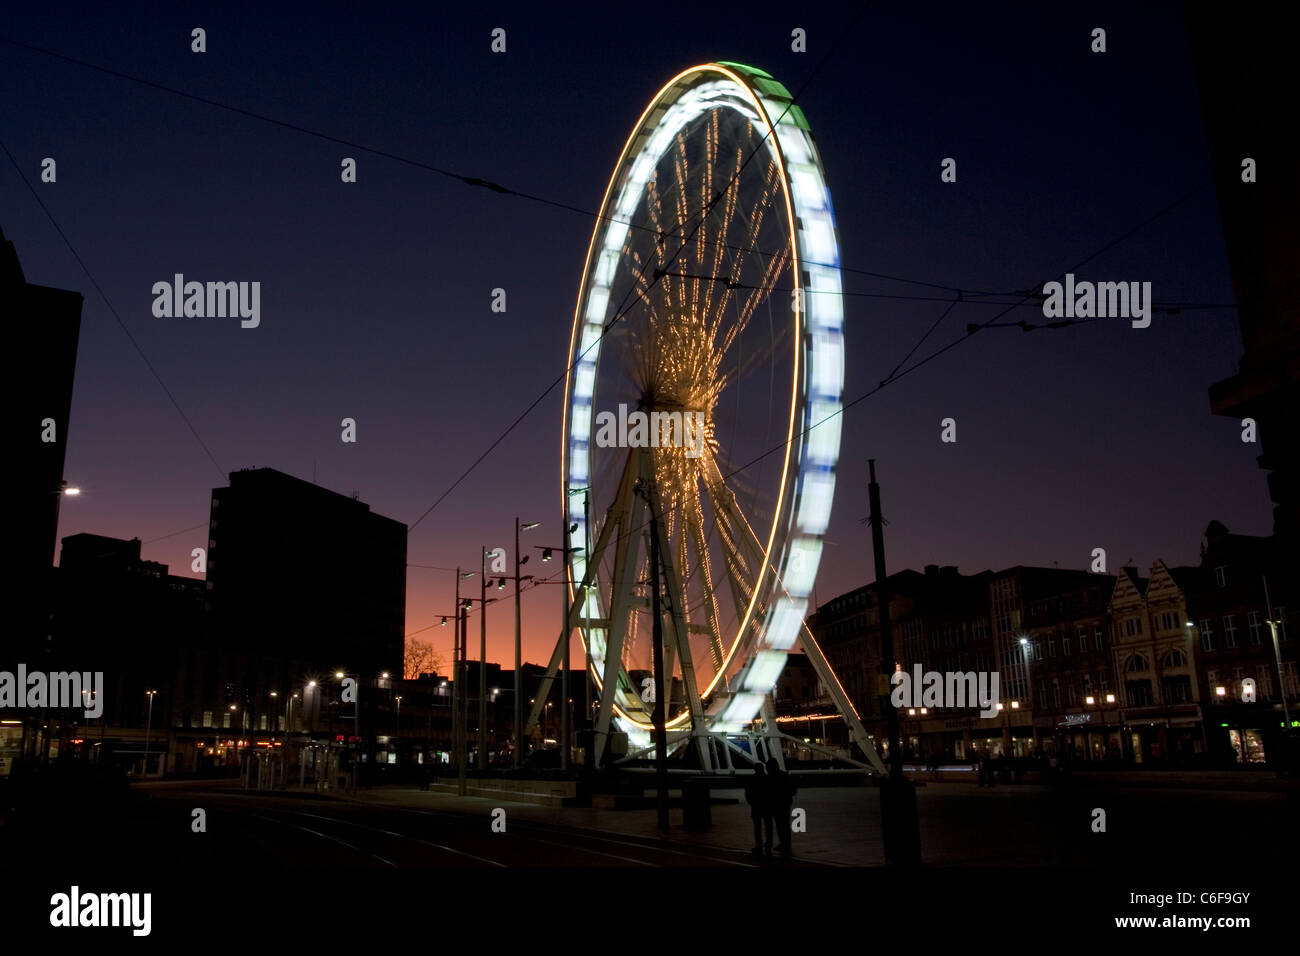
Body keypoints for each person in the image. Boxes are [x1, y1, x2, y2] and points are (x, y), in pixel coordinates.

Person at [766, 757, 796, 856]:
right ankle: (786, 845)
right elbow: (793, 789)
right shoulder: (784, 776)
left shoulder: (770, 778)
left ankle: (783, 844)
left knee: (780, 826)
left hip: (776, 805)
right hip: (785, 804)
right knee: (785, 826)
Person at [744, 763, 772, 856]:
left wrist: (752, 803)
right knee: (768, 827)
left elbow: (748, 793)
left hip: (756, 807)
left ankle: (759, 846)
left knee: (757, 827)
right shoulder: (768, 779)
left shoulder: (752, 779)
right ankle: (768, 845)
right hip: (767, 806)